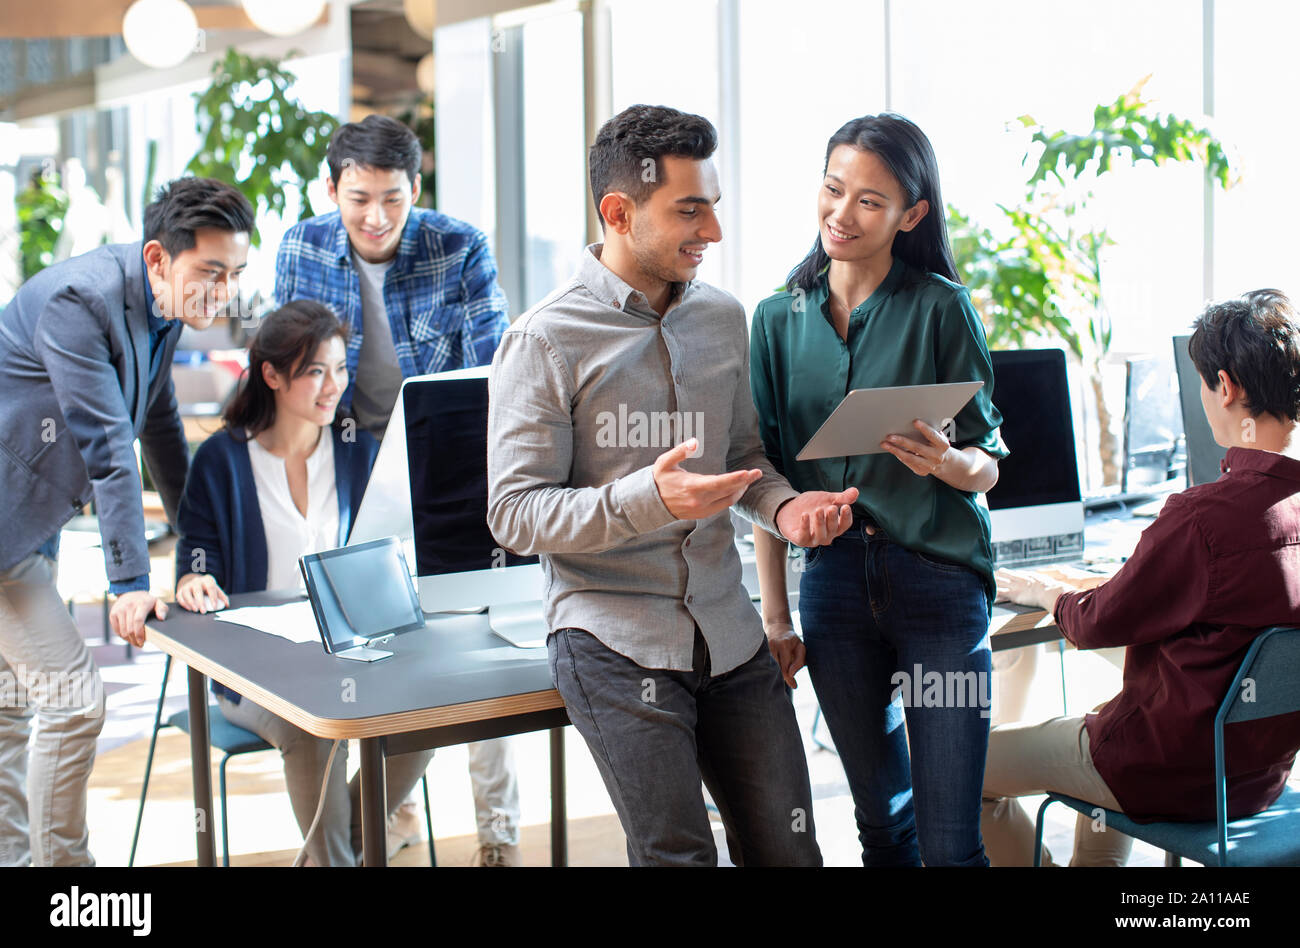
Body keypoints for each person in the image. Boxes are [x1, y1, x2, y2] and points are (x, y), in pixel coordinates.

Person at [488, 104, 858, 867]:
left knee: (791, 853)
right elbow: (513, 513)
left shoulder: (722, 320)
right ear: (618, 213)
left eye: (714, 206)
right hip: (611, 634)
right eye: (690, 211)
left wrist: (787, 510)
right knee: (679, 856)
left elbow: (745, 456)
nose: (713, 232)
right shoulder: (545, 340)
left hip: (726, 627)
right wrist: (646, 500)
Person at [749, 113, 1007, 867]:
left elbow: (988, 459)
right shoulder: (775, 320)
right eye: (834, 190)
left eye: (870, 200)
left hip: (938, 585)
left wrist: (946, 465)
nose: (842, 213)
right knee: (881, 827)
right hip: (831, 590)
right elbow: (765, 477)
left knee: (951, 844)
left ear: (912, 215)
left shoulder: (941, 307)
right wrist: (775, 617)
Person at [274, 114, 519, 864]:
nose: (376, 218)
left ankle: (498, 834)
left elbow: (494, 369)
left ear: (417, 188)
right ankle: (393, 809)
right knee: (371, 637)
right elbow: (290, 365)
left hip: (446, 456)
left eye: (392, 198)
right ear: (331, 190)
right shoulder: (303, 246)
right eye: (359, 200)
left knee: (479, 631)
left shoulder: (458, 245)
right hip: (346, 461)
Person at [989, 289, 1300, 866]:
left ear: (1225, 388)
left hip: (1166, 773)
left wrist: (1049, 592)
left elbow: (1094, 624)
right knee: (1120, 701)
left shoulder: (1202, 518)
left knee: (959, 771)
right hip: (1256, 780)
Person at [0, 177, 253, 867]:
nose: (222, 291)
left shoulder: (162, 304)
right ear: (157, 257)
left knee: (13, 712)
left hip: (32, 513)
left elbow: (160, 423)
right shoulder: (78, 302)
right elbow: (110, 444)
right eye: (210, 273)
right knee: (75, 702)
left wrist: (199, 539)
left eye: (235, 275)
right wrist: (131, 582)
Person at [173, 300, 435, 867]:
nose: (332, 386)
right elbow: (197, 552)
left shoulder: (356, 452)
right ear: (271, 375)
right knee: (315, 731)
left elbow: (393, 546)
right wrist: (196, 579)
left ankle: (335, 857)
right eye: (315, 371)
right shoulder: (221, 459)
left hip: (347, 653)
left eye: (339, 369)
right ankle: (337, 857)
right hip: (256, 671)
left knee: (426, 719)